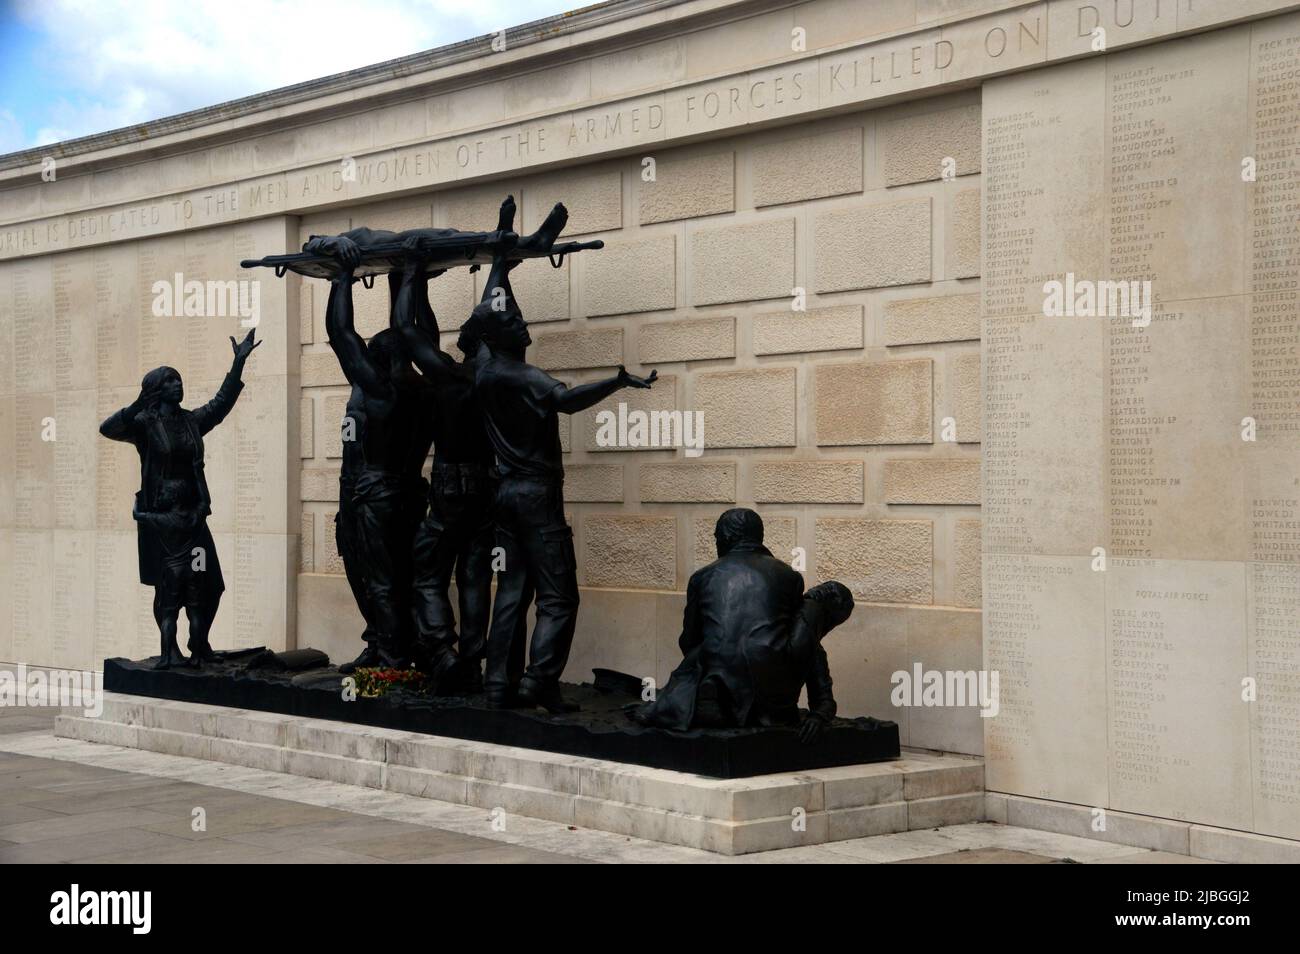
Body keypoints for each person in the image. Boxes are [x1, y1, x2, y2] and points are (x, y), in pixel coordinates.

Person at [474, 204, 657, 712]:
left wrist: (500, 267)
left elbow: (490, 314)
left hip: (505, 496)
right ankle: (537, 683)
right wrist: (617, 382)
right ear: (499, 337)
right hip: (535, 497)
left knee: (512, 589)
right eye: (514, 322)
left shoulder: (486, 372)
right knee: (558, 596)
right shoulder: (523, 377)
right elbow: (566, 399)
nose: (522, 322)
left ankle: (497, 685)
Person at [99, 329, 260, 668]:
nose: (178, 385)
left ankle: (199, 644)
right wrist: (136, 406)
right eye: (171, 381)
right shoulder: (144, 423)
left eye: (179, 380)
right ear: (158, 389)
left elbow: (219, 406)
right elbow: (109, 428)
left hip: (193, 517)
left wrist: (237, 365)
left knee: (208, 582)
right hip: (162, 521)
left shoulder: (190, 421)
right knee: (167, 586)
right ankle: (169, 650)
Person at [630, 509, 852, 742]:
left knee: (706, 650)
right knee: (807, 620)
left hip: (716, 692)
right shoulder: (790, 576)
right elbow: (804, 645)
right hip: (774, 704)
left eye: (717, 538)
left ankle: (699, 701)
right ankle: (818, 704)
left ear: (727, 537)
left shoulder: (702, 577)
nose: (717, 543)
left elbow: (689, 642)